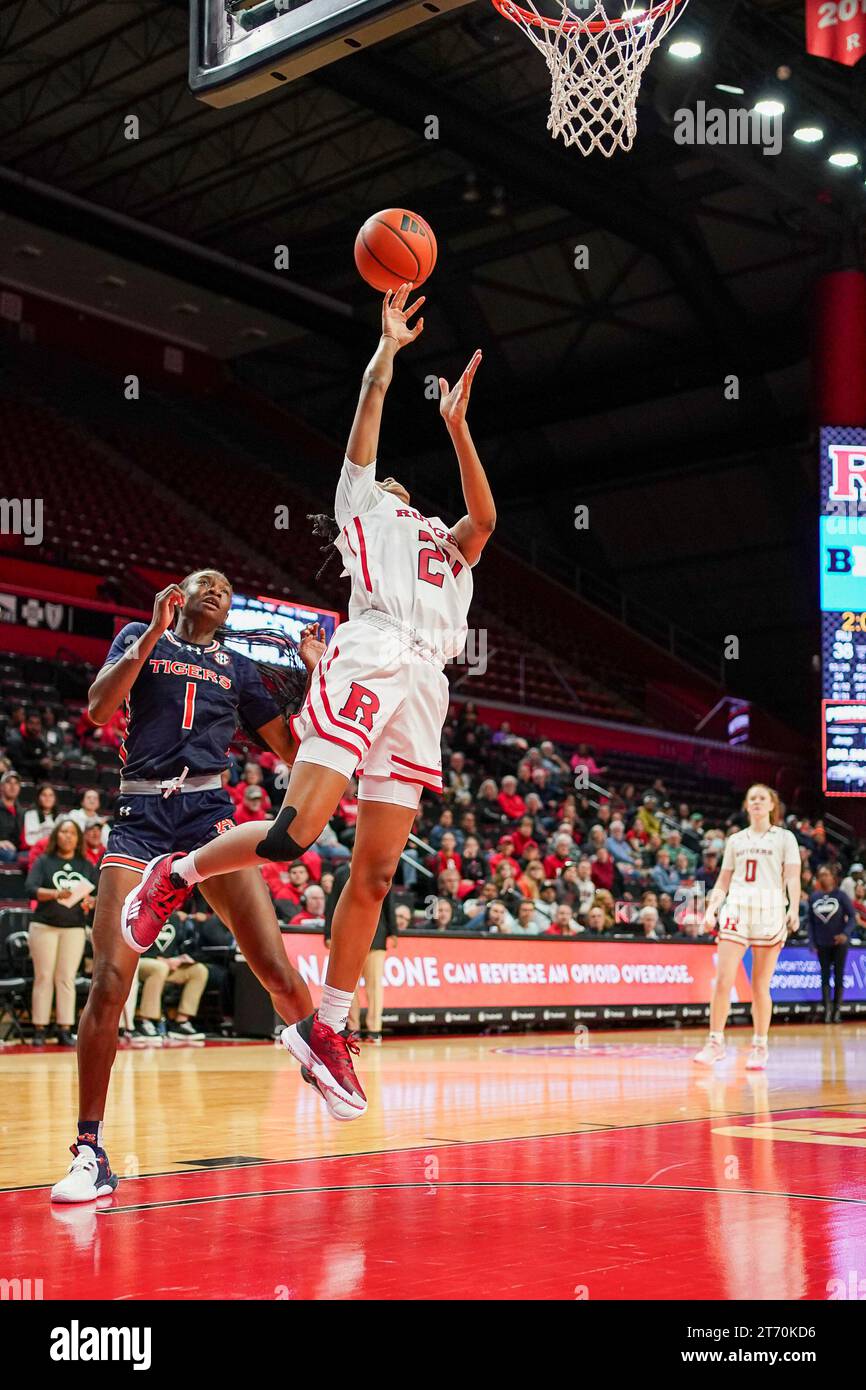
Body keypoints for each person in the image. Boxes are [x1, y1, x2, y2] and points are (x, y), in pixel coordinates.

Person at [124, 289, 495, 1121]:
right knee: (296, 838)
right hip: (370, 654)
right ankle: (176, 872)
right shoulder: (365, 511)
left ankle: (326, 1028)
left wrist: (459, 427)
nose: (394, 479)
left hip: (424, 684)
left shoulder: (444, 542)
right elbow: (367, 412)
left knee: (375, 873)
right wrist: (388, 353)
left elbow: (484, 517)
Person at [49, 571, 320, 1204]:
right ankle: (90, 1151)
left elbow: (292, 751)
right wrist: (148, 635)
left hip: (208, 818)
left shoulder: (241, 669)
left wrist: (315, 673)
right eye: (205, 581)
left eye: (226, 587)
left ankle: (324, 1056)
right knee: (110, 979)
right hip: (141, 819)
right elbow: (98, 707)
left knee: (274, 966)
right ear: (180, 592)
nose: (216, 590)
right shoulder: (139, 639)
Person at [693, 785, 800, 1071]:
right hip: (737, 910)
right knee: (723, 980)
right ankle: (715, 1042)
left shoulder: (785, 838)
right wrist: (713, 908)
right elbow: (723, 881)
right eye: (752, 798)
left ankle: (760, 1046)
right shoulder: (736, 840)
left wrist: (794, 908)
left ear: (771, 805)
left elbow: (792, 876)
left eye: (761, 798)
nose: (756, 801)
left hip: (770, 911)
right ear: (746, 805)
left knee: (759, 986)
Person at [26, 818, 98, 1046]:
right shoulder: (44, 861)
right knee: (44, 977)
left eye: (72, 833)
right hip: (44, 925)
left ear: (78, 839)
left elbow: (96, 894)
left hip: (74, 928)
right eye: (64, 832)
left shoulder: (85, 864)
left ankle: (65, 1028)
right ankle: (40, 1027)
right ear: (56, 835)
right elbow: (30, 889)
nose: (68, 836)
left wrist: (90, 901)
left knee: (66, 978)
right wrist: (56, 894)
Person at [807, 866, 856, 1023]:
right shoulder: (814, 897)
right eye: (820, 875)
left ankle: (837, 1011)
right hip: (822, 944)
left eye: (826, 874)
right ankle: (827, 1010)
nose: (823, 877)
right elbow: (810, 923)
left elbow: (853, 917)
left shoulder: (840, 896)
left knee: (839, 976)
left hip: (839, 944)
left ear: (833, 877)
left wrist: (845, 934)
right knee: (824, 977)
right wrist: (812, 942)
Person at [23, 782, 59, 848]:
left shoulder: (60, 817)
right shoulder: (31, 815)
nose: (48, 798)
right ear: (38, 798)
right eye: (44, 795)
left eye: (51, 795)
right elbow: (30, 840)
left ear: (55, 798)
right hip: (36, 849)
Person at [0, 770, 24, 862]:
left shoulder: (22, 812)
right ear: (1, 787)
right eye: (9, 782)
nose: (13, 786)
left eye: (16, 783)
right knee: (9, 854)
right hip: (4, 850)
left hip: (17, 851)